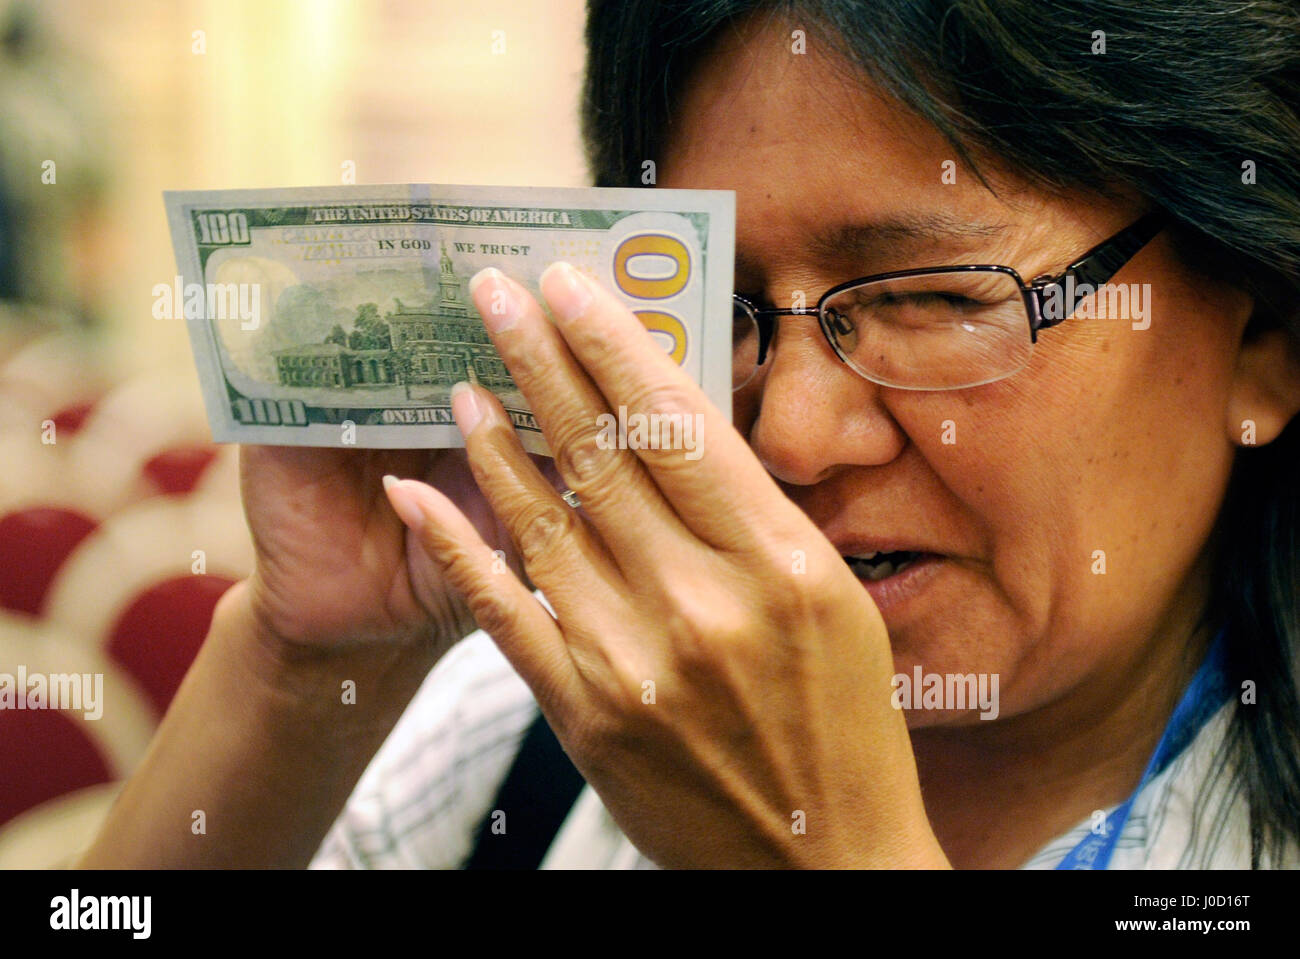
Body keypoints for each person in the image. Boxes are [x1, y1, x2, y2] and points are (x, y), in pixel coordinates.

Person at [77, 0, 1300, 869]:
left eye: (932, 300)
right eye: (717, 308)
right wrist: (300, 668)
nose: (794, 433)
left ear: (1262, 342)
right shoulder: (537, 727)